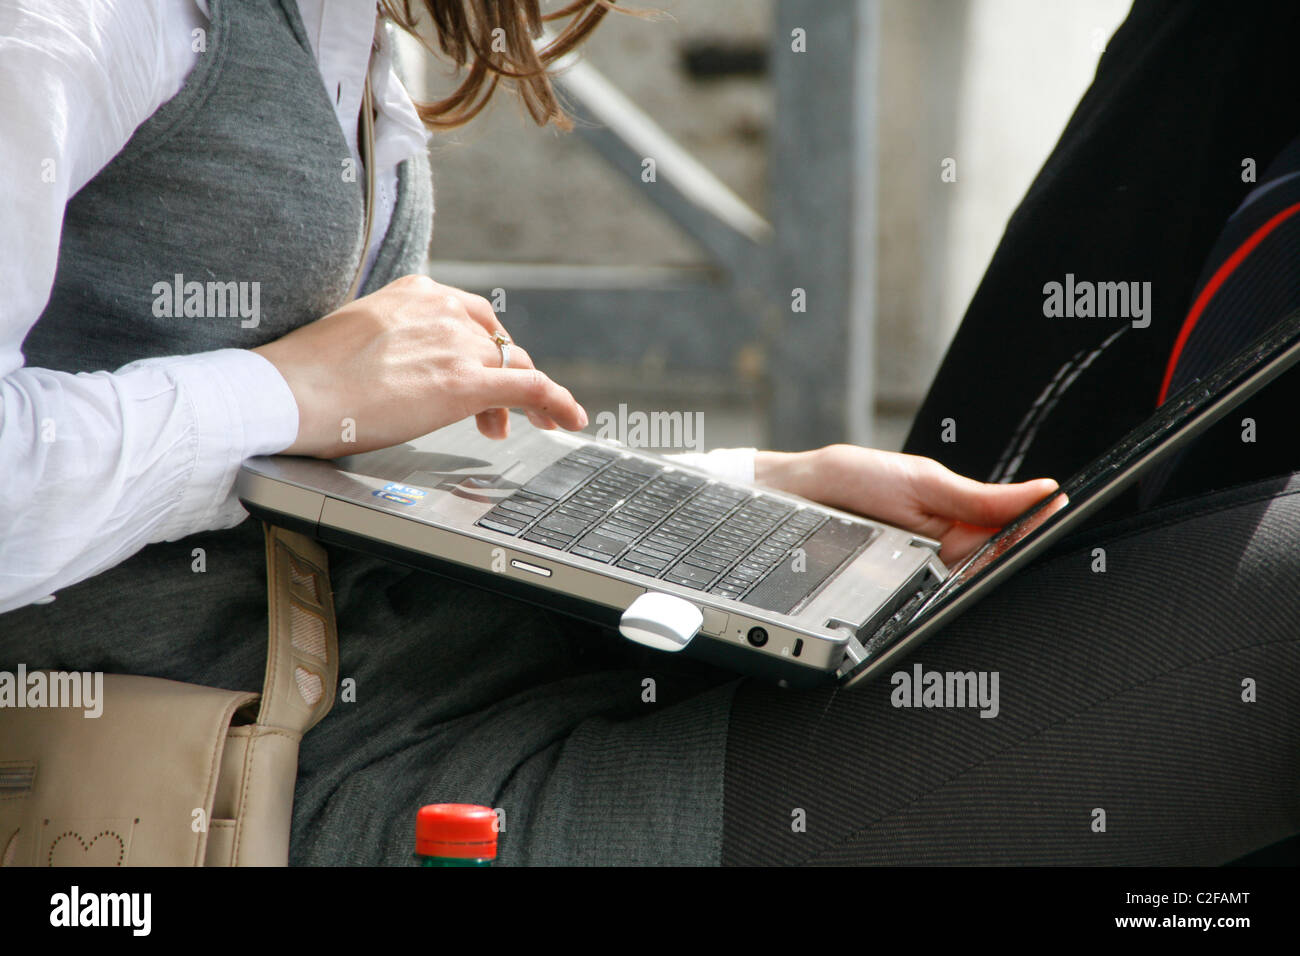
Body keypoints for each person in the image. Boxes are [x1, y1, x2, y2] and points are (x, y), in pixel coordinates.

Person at [1, 0, 1295, 866]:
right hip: (317, 787)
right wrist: (291, 393)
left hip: (512, 675)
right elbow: (285, 419)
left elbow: (322, 476)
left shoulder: (341, 28)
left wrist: (744, 492)